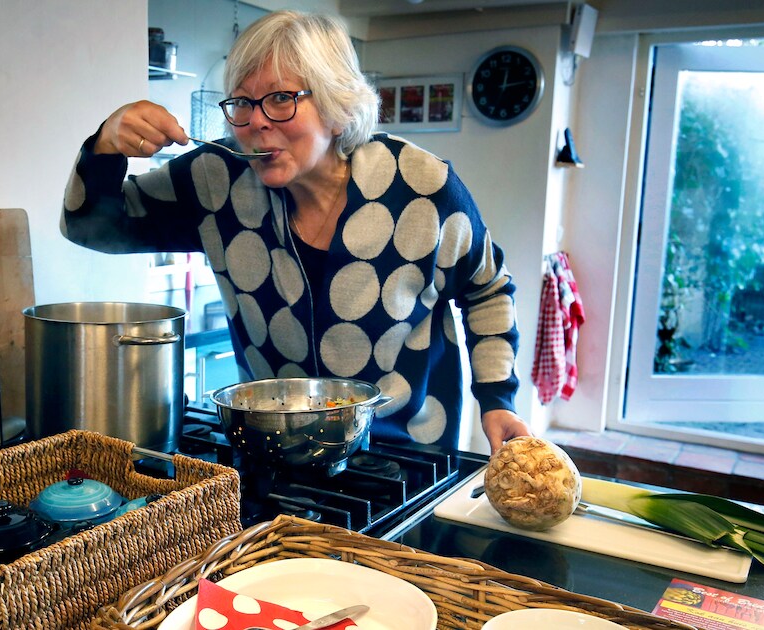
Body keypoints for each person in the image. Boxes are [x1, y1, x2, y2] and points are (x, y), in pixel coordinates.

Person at [61, 10, 531, 451]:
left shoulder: (423, 189)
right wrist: (105, 147)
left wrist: (497, 399)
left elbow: (487, 288)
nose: (257, 120)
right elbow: (90, 226)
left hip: (404, 457)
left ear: (336, 104)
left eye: (282, 98)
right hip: (275, 456)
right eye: (242, 102)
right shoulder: (215, 180)